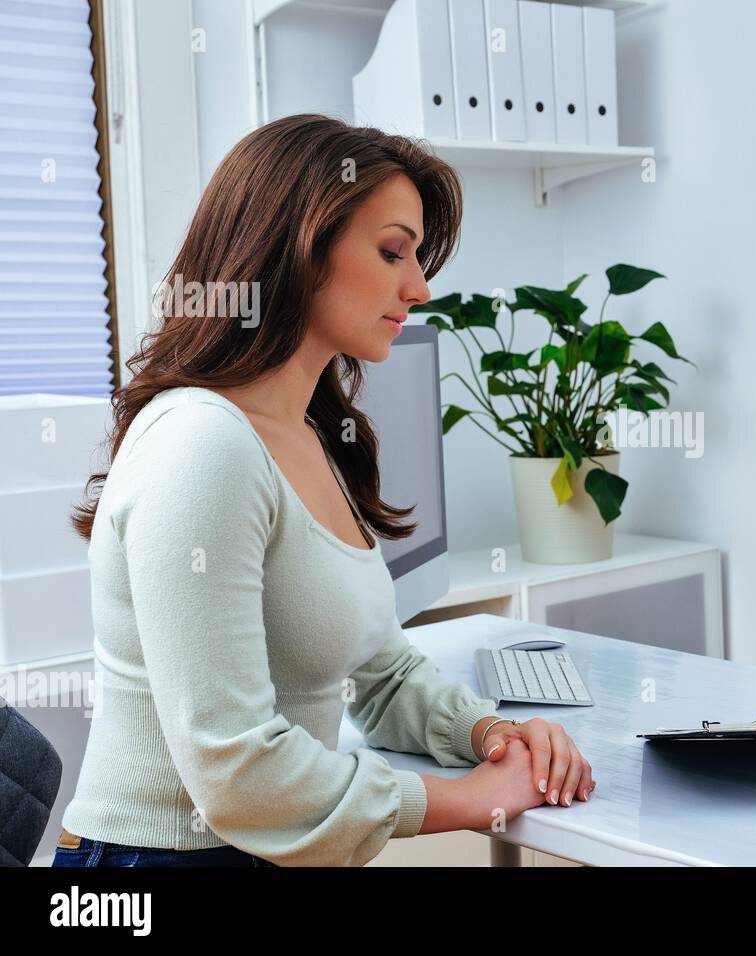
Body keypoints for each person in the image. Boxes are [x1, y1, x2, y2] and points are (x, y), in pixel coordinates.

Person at [57, 114, 592, 867]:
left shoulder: (306, 434)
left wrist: (489, 735)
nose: (420, 286)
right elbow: (236, 771)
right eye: (391, 252)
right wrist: (465, 800)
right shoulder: (201, 445)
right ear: (298, 249)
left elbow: (382, 671)